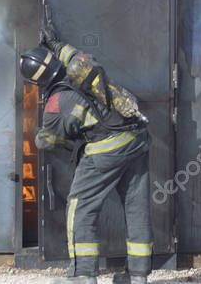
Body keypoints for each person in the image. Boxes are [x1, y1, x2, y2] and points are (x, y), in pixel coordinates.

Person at [20, 22, 153, 284]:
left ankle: (82, 275)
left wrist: (38, 135)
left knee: (80, 207)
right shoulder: (80, 65)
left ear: (36, 82)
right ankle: (138, 276)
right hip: (137, 136)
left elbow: (49, 140)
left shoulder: (56, 104)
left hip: (107, 148)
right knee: (136, 206)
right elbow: (69, 53)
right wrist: (54, 43)